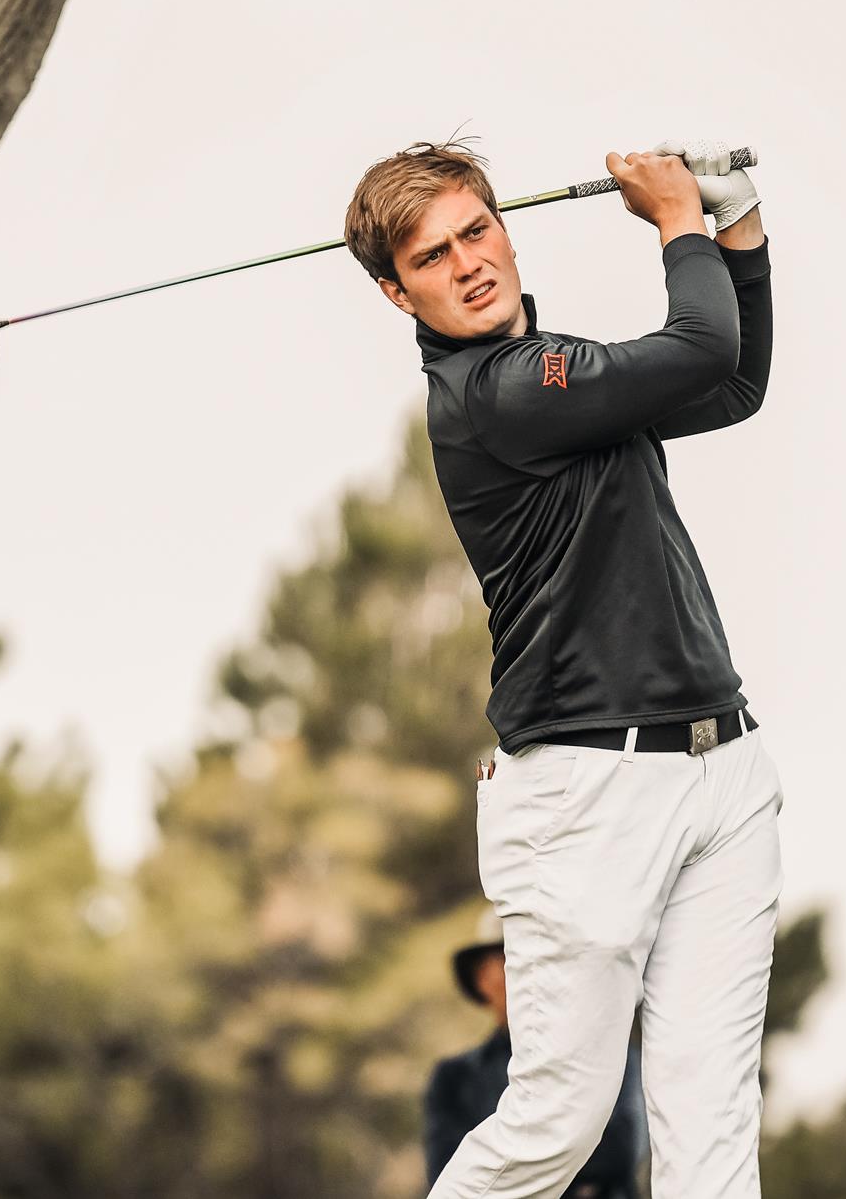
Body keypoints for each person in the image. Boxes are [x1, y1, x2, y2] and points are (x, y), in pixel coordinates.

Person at [343, 139, 784, 1198]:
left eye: (476, 230)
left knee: (712, 1121)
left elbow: (731, 381)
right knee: (555, 1120)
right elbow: (693, 344)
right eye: (433, 256)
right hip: (588, 793)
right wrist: (677, 217)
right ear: (396, 293)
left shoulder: (562, 374)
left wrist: (739, 229)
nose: (468, 263)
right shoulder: (496, 394)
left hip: (720, 767)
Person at [425, 908, 645, 1199]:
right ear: (481, 979)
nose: (526, 969)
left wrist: (505, 1167)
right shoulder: (453, 1078)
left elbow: (623, 1150)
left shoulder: (615, 1056)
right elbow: (448, 1173)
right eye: (507, 957)